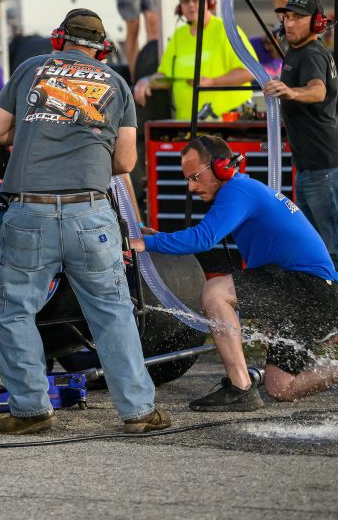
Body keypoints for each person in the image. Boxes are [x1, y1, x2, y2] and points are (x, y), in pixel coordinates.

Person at [0, 8, 170, 435]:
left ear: (59, 39)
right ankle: (139, 412)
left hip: (31, 212)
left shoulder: (32, 68)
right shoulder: (117, 83)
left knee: (12, 311)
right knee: (112, 314)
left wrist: (33, 131)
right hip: (91, 214)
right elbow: (124, 161)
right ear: (101, 48)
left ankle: (30, 410)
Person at [129, 135, 338, 409]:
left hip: (306, 287)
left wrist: (145, 243)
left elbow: (203, 238)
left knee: (215, 293)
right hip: (312, 293)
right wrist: (160, 238)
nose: (191, 187)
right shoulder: (244, 190)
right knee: (280, 387)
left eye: (195, 177)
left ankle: (240, 387)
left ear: (220, 168)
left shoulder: (237, 191)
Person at [248, 0, 338, 266]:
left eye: (297, 18)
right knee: (313, 242)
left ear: (316, 23)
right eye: (287, 17)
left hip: (323, 167)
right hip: (311, 165)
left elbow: (318, 90)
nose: (289, 22)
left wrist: (290, 92)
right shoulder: (298, 43)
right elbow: (287, 7)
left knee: (330, 244)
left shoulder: (311, 53)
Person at [133, 0, 257, 119]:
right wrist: (145, 81)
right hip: (188, 125)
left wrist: (212, 82)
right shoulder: (178, 36)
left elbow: (250, 71)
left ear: (209, 3)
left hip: (228, 124)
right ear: (180, 8)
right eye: (186, 1)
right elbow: (165, 76)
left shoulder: (226, 30)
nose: (191, 4)